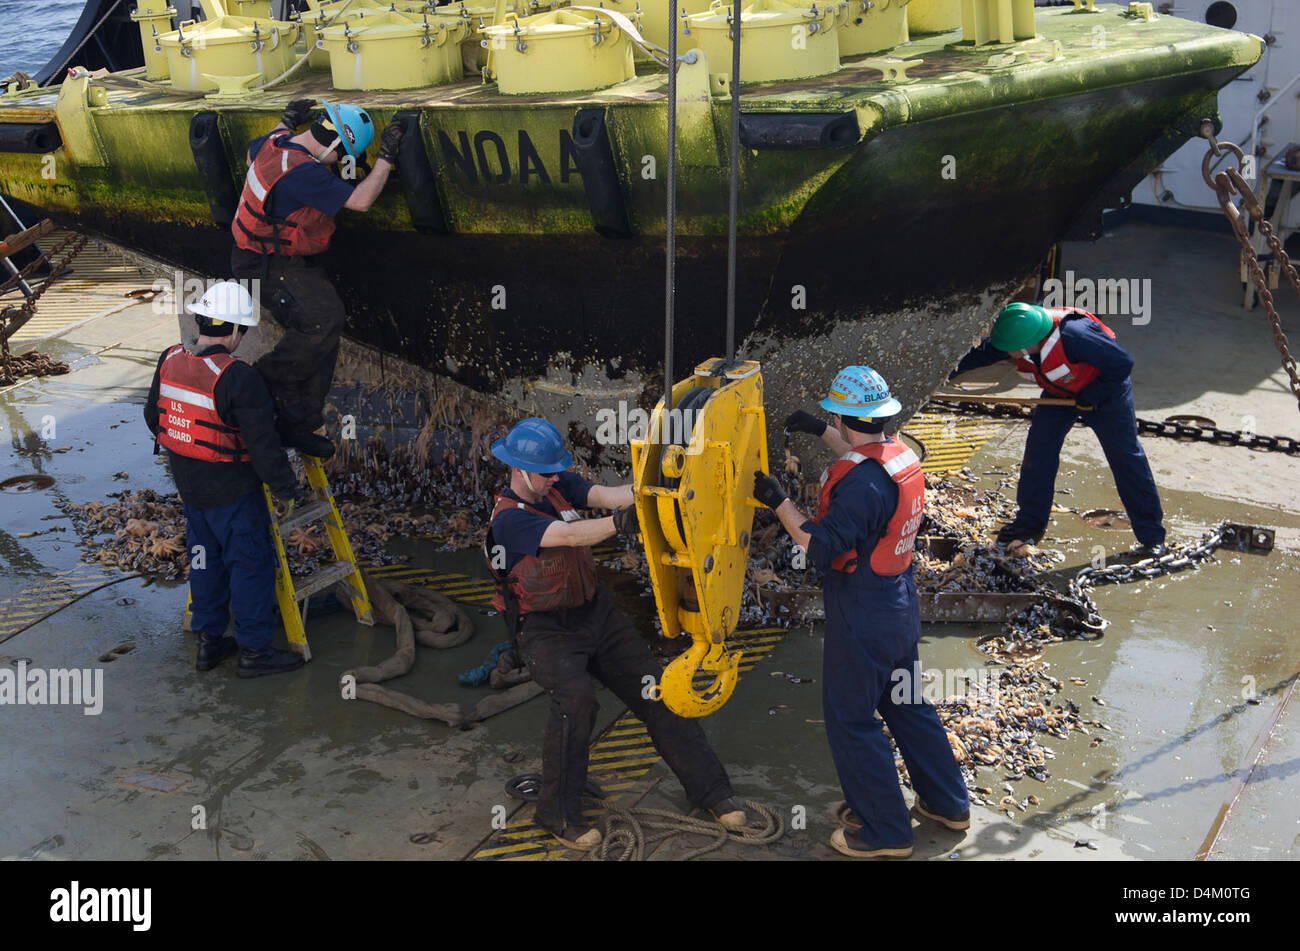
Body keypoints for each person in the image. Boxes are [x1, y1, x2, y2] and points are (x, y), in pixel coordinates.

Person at [484, 418, 746, 851]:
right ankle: (557, 814)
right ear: (519, 469)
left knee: (657, 690)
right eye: (546, 472)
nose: (555, 478)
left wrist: (661, 486)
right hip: (546, 631)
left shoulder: (555, 485)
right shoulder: (508, 521)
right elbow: (570, 535)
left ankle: (712, 792)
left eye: (556, 470)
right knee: (576, 703)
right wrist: (623, 524)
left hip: (595, 615)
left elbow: (609, 496)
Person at [755, 366, 969, 858]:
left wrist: (778, 502)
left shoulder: (860, 487)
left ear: (843, 416)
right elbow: (864, 456)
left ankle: (885, 831)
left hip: (862, 609)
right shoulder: (901, 455)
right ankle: (948, 803)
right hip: (899, 601)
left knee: (851, 717)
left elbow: (818, 546)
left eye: (834, 419)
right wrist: (820, 430)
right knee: (907, 704)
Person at [144, 281, 305, 678]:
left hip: (189, 487)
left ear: (202, 321)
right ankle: (254, 652)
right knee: (250, 565)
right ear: (234, 330)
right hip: (234, 492)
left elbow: (154, 417)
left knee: (204, 560)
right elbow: (264, 447)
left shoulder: (169, 359)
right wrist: (285, 490)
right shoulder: (238, 377)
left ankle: (209, 642)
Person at [230, 99, 404, 460]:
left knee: (322, 333)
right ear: (335, 144)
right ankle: (263, 378)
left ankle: (299, 423)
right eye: (344, 156)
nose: (339, 163)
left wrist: (286, 120)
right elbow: (360, 201)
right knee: (324, 319)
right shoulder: (303, 172)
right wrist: (386, 158)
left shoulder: (277, 141)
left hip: (267, 257)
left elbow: (251, 156)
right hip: (264, 264)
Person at [950, 302, 1165, 553]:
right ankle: (1029, 525)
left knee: (1125, 456)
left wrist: (1092, 397)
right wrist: (940, 375)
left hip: (1105, 392)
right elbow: (981, 354)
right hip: (1060, 392)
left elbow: (1121, 363)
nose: (1007, 354)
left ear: (1028, 343)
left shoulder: (1076, 336)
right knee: (1039, 452)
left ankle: (1152, 536)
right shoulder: (1018, 334)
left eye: (1011, 351)